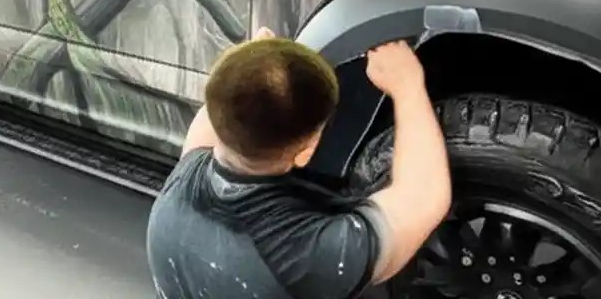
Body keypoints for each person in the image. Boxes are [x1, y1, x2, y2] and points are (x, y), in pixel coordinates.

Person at [146, 28, 452, 299]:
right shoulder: (306, 255)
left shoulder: (176, 191)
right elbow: (422, 197)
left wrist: (255, 65)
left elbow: (215, 116)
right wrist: (408, 86)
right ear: (306, 151)